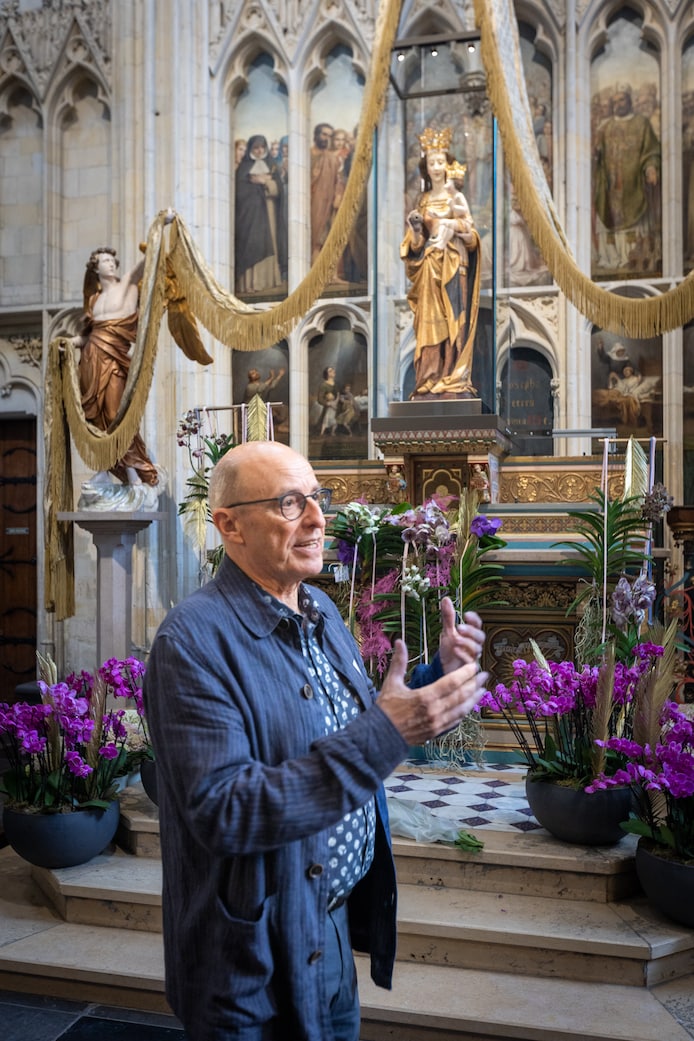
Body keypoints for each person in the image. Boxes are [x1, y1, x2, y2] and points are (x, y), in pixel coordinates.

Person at [143, 440, 487, 1041]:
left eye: (317, 499)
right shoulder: (192, 642)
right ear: (229, 525)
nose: (318, 518)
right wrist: (388, 732)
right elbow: (227, 810)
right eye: (289, 502)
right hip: (251, 949)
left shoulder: (321, 610)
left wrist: (434, 679)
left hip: (328, 927)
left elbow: (350, 727)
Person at [401, 128, 482, 400]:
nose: (436, 167)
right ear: (426, 167)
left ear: (447, 165)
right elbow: (414, 246)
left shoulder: (457, 198)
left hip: (452, 266)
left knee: (451, 322)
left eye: (440, 162)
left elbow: (471, 236)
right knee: (428, 324)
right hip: (429, 268)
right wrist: (414, 230)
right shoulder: (422, 201)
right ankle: (428, 378)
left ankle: (451, 378)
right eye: (432, 162)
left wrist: (451, 225)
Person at [72, 246, 159, 489]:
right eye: (105, 261)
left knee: (116, 415)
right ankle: (103, 469)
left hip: (115, 361)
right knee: (97, 419)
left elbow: (143, 265)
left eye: (112, 260)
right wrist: (70, 342)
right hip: (91, 359)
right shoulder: (94, 300)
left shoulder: (128, 286)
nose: (111, 264)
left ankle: (132, 471)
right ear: (95, 268)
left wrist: (161, 230)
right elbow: (86, 336)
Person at [593, 85, 661, 273]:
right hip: (611, 186)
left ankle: (632, 258)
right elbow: (597, 155)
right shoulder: (605, 126)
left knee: (635, 218)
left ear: (629, 101)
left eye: (621, 100)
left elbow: (651, 150)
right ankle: (612, 258)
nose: (618, 105)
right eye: (614, 102)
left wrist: (651, 167)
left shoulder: (642, 123)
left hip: (633, 185)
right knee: (610, 218)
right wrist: (596, 153)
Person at [235, 134, 287, 293]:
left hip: (269, 212)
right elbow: (238, 192)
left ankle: (267, 282)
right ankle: (250, 283)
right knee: (252, 242)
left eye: (261, 148)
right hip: (249, 215)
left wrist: (267, 183)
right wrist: (252, 182)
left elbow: (278, 190)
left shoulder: (271, 165)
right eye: (255, 148)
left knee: (269, 241)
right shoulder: (244, 168)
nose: (259, 151)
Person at [310, 122, 344, 263]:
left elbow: (338, 180)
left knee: (325, 238)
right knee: (313, 238)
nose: (326, 138)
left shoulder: (332, 159)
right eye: (324, 134)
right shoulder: (307, 156)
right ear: (316, 135)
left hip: (328, 204)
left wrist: (338, 195)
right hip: (312, 204)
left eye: (330, 136)